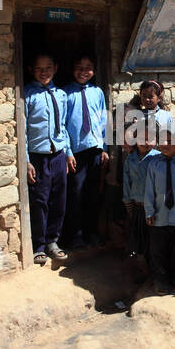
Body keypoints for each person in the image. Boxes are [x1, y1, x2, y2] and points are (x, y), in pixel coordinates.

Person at [23, 53, 72, 266]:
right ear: (31, 69)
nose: (44, 72)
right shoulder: (27, 94)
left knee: (58, 199)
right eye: (39, 68)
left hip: (59, 156)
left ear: (56, 68)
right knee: (40, 201)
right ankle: (39, 245)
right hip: (38, 156)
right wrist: (26, 160)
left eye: (48, 67)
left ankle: (53, 241)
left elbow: (63, 127)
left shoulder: (60, 94)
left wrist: (68, 152)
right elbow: (22, 130)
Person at [60, 55, 108, 250]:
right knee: (76, 194)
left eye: (88, 68)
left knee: (93, 193)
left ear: (94, 71)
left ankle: (92, 232)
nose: (83, 71)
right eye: (79, 67)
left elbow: (104, 120)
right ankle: (75, 235)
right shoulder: (65, 94)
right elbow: (61, 125)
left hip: (95, 150)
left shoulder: (97, 92)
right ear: (72, 69)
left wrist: (104, 148)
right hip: (76, 152)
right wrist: (68, 152)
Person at [144, 124, 175, 294]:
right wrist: (149, 211)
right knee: (158, 251)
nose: (164, 143)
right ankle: (160, 280)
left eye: (170, 140)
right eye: (162, 140)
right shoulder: (154, 164)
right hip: (159, 217)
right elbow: (149, 190)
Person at [122, 135, 156, 267]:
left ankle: (151, 270)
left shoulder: (157, 158)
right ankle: (141, 268)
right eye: (142, 138)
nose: (146, 142)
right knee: (137, 239)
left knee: (151, 240)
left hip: (153, 209)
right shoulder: (130, 159)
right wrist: (128, 205)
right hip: (136, 207)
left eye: (150, 138)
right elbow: (127, 183)